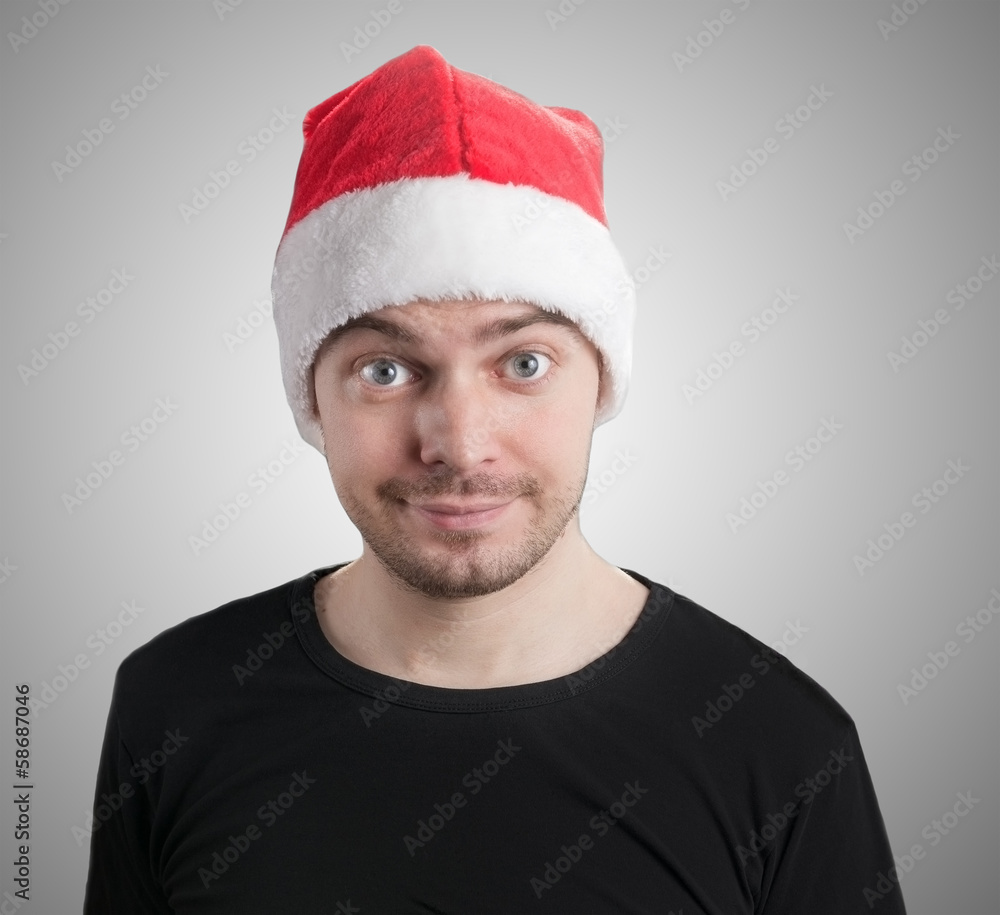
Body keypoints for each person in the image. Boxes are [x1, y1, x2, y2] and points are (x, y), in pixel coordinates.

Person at [84, 46, 906, 914]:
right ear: (311, 395)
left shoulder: (779, 742)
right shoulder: (173, 702)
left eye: (523, 362)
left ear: (602, 380)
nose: (461, 445)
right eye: (386, 370)